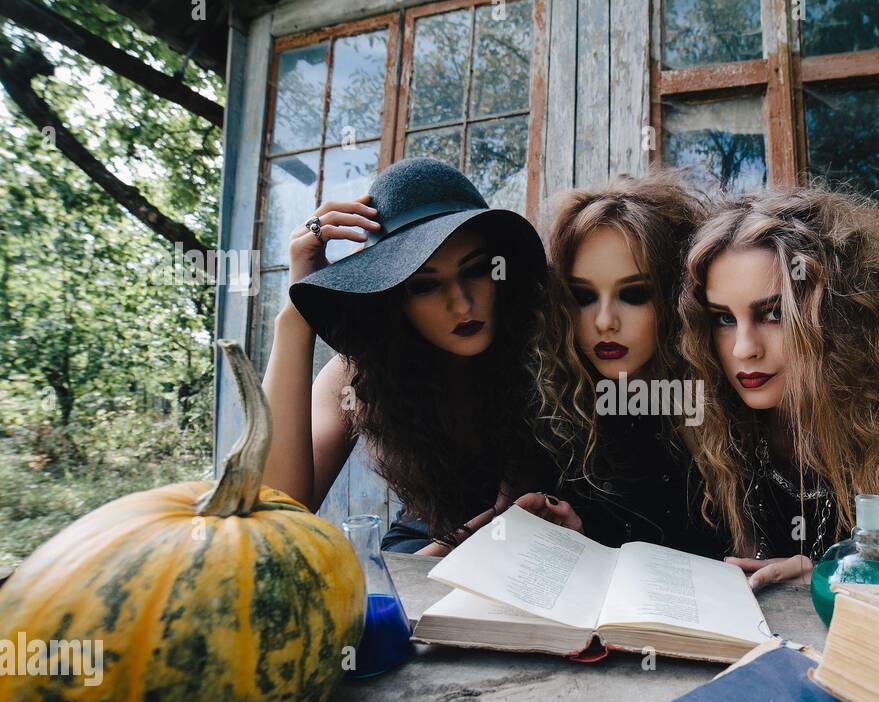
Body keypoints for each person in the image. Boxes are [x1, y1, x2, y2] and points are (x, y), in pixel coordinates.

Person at [262, 157, 579, 556]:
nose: (461, 304)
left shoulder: (547, 346)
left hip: (542, 554)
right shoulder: (358, 376)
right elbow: (275, 515)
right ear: (394, 297)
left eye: (475, 270)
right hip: (427, 551)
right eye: (425, 285)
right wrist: (296, 312)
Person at [678, 185, 879, 589]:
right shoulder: (712, 432)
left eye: (774, 314)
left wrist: (825, 578)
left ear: (837, 319)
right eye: (724, 319)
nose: (744, 349)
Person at [530, 172, 726, 556]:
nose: (605, 322)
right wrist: (577, 533)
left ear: (676, 298)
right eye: (583, 296)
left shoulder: (724, 401)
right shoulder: (553, 405)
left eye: (634, 294)